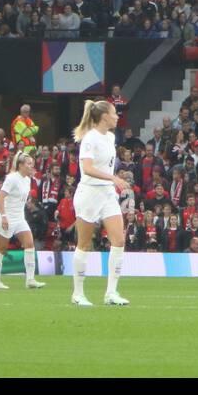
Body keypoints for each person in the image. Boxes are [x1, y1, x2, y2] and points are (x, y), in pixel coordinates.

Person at [70, 100, 130, 307]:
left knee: (119, 241)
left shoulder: (110, 137)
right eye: (114, 113)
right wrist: (112, 178)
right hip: (89, 193)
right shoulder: (89, 138)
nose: (117, 116)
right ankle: (78, 293)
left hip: (106, 194)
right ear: (104, 116)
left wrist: (111, 182)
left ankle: (111, 293)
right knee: (84, 244)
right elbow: (86, 168)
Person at [0, 151, 47, 290]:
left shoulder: (28, 180)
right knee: (1, 248)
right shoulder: (11, 178)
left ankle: (30, 279)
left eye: (32, 164)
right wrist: (4, 216)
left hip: (19, 218)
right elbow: (0, 197)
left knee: (29, 244)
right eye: (29, 164)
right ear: (20, 165)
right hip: (7, 217)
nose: (31, 167)